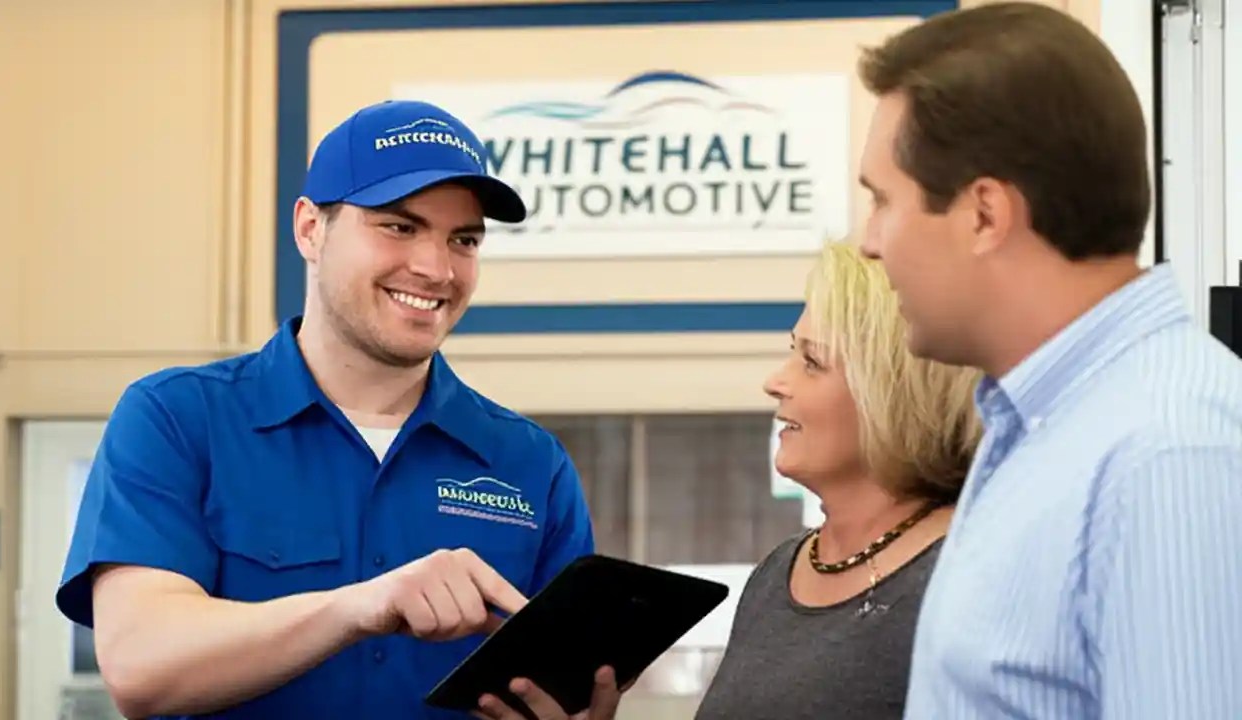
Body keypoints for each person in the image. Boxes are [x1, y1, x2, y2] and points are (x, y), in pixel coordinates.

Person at [55, 99, 616, 720]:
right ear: (309, 230)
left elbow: (564, 682)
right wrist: (360, 607)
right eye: (399, 227)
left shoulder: (529, 462)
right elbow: (142, 668)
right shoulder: (178, 419)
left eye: (463, 240)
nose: (435, 269)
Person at [854, 3, 1242, 719]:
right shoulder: (1039, 426)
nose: (869, 243)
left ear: (984, 215)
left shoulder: (1168, 454)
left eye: (883, 201)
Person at [473, 240, 983, 720]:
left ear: (892, 396)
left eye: (811, 362)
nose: (775, 382)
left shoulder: (964, 577)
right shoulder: (780, 572)